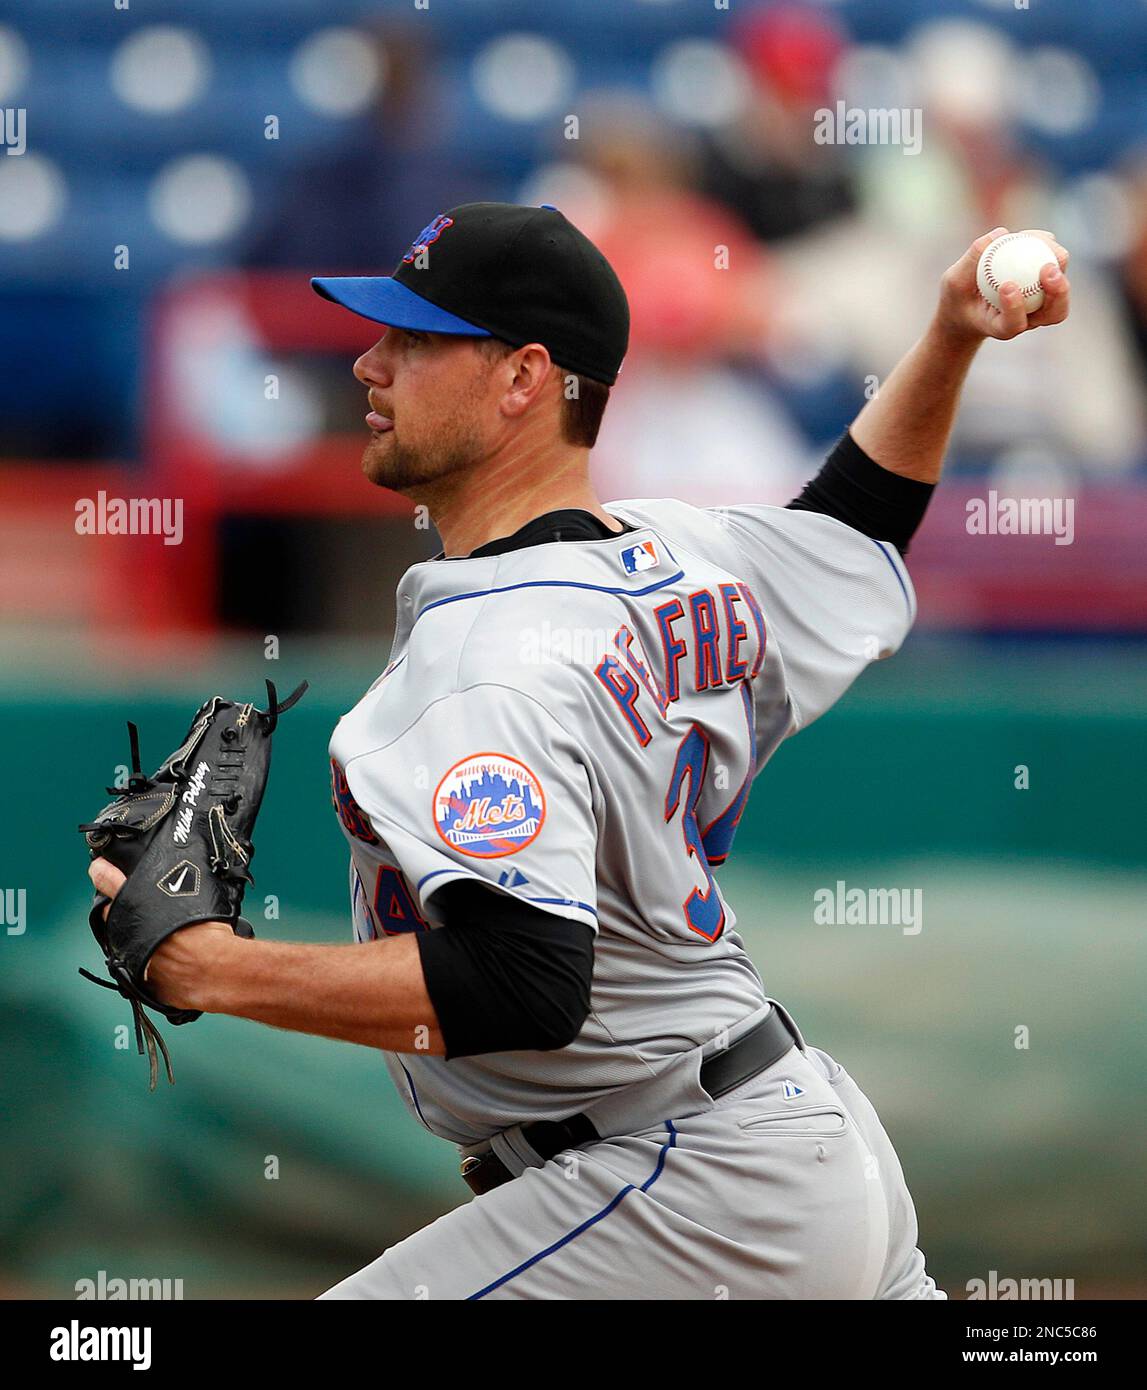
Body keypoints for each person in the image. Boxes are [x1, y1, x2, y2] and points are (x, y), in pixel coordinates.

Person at [89, 203, 1070, 1300]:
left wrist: (213, 969)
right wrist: (949, 334)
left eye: (413, 341)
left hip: (688, 1190)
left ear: (523, 380)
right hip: (793, 1148)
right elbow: (859, 523)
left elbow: (521, 983)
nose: (368, 362)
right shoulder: (681, 555)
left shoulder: (488, 657)